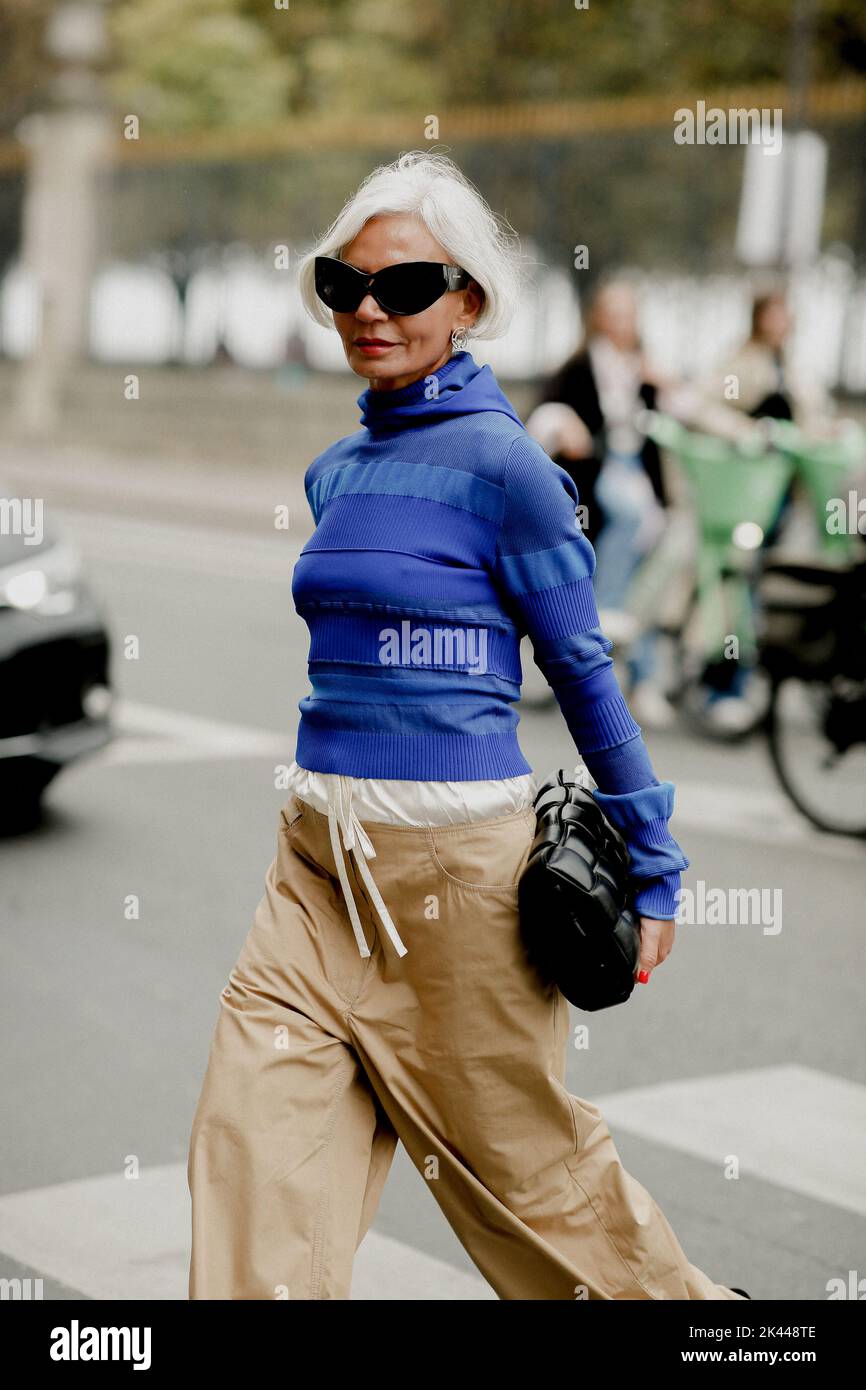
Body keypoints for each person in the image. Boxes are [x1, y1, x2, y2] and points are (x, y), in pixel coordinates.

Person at [186, 151, 749, 1302]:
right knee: (251, 1168)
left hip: (456, 884)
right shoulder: (338, 468)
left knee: (532, 1192)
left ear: (467, 303)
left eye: (404, 288)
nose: (369, 312)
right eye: (345, 285)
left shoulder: (510, 470)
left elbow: (582, 668)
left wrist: (655, 859)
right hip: (311, 873)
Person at [530, 280, 676, 729]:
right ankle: (610, 657)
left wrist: (663, 386)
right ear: (598, 318)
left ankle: (641, 675)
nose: (620, 323)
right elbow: (543, 416)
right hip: (597, 484)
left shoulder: (646, 371)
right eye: (612, 312)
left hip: (641, 483)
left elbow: (670, 425)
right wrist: (565, 421)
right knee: (621, 552)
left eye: (627, 313)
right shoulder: (579, 369)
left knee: (654, 566)